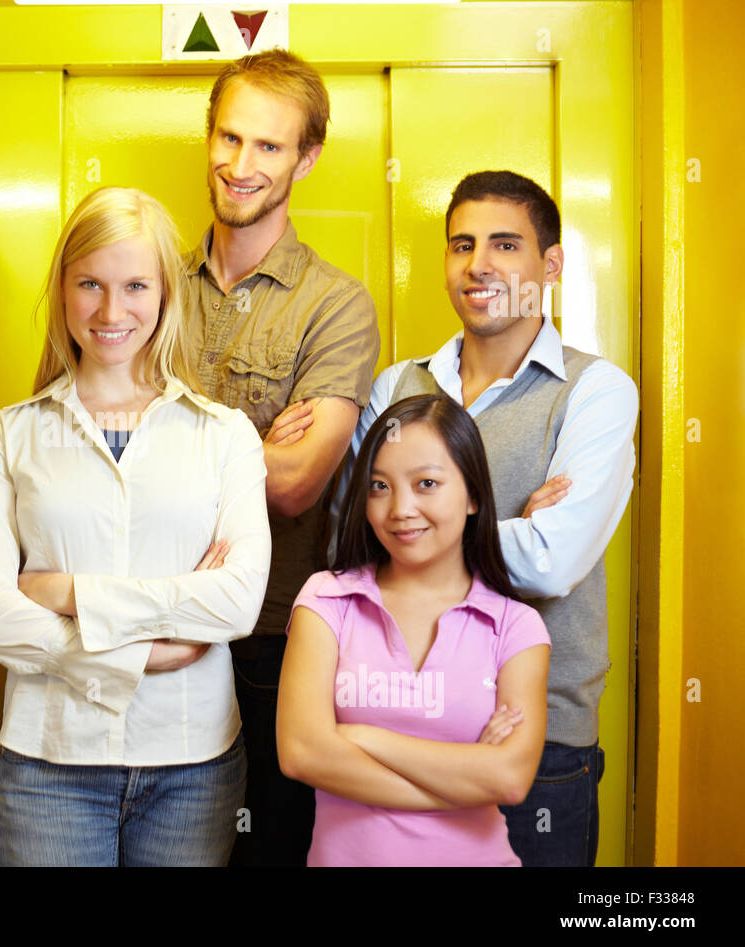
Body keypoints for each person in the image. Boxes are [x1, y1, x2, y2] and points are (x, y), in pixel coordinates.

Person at [0, 186, 271, 866]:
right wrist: (150, 650)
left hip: (194, 763)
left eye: (135, 285)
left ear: (165, 296)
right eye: (90, 284)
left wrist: (67, 593)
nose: (110, 310)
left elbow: (237, 601)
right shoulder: (8, 435)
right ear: (63, 289)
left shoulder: (226, 436)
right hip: (50, 765)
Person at [350, 170, 639, 866]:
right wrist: (506, 524)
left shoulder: (595, 391)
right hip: (401, 718)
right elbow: (357, 543)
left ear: (551, 264)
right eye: (462, 245)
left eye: (505, 245)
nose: (478, 264)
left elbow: (554, 562)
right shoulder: (399, 384)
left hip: (535, 739)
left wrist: (413, 538)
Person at [181, 49, 381, 866]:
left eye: (269, 147)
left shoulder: (336, 305)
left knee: (266, 851)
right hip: (149, 623)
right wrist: (249, 452)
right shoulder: (145, 285)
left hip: (271, 639)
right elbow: (82, 464)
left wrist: (166, 462)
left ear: (308, 157)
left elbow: (296, 485)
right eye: (229, 138)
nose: (240, 165)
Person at [278, 393, 550, 865]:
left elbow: (508, 779)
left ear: (473, 496)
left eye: (426, 483)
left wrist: (360, 736)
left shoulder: (516, 627)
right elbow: (301, 753)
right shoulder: (325, 601)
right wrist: (463, 781)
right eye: (379, 486)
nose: (400, 508)